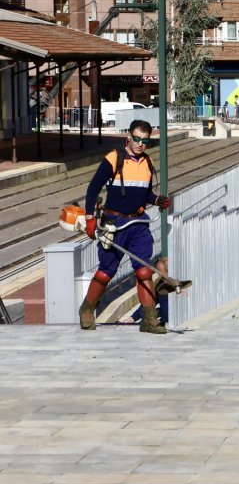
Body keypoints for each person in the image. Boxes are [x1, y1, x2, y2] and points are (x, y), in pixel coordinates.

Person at [76, 120, 173, 334]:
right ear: (128, 136)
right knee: (106, 272)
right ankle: (86, 310)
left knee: (144, 269)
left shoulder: (147, 163)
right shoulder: (114, 158)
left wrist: (157, 201)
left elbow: (144, 194)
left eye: (144, 140)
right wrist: (90, 217)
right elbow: (93, 188)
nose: (140, 144)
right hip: (115, 223)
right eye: (137, 138)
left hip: (138, 224)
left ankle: (149, 320)